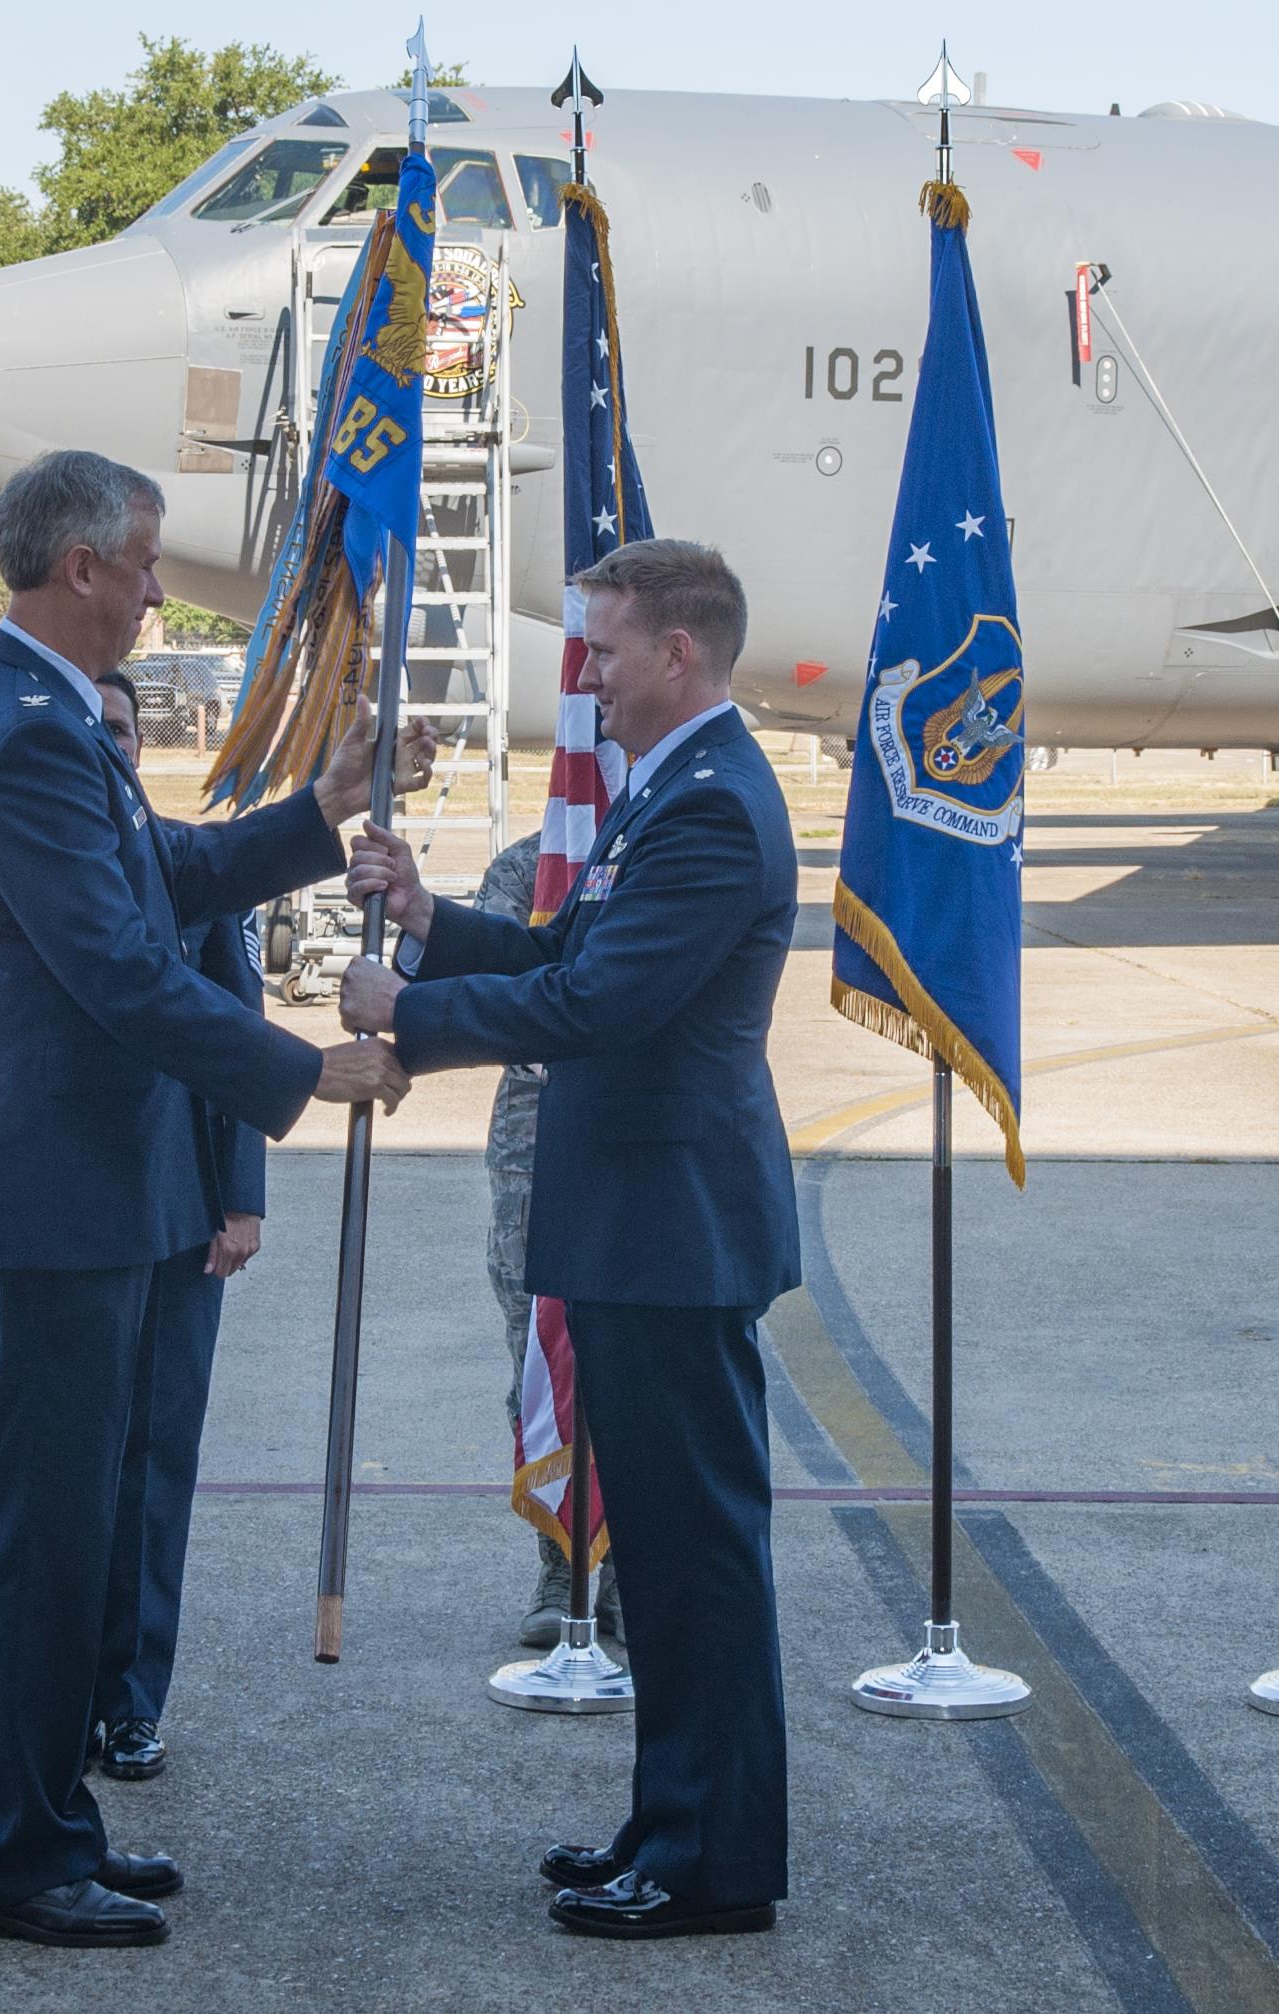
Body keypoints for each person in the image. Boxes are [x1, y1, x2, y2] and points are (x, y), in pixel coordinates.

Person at [0, 448, 426, 1950]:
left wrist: (309, 816)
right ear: (79, 567)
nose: (154, 589)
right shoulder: (20, 735)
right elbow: (122, 972)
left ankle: (53, 1822)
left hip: (102, 1192)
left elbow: (161, 877)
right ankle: (6, 1855)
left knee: (82, 1530)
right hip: (59, 1199)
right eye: (141, 564)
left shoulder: (53, 719)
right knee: (39, 1537)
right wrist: (301, 1070)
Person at [340, 539, 798, 1942]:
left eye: (601, 646)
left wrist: (403, 1014)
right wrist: (429, 927)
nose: (585, 670)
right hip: (637, 1223)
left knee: (696, 1552)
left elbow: (599, 1005)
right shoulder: (670, 792)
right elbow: (562, 956)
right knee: (660, 1551)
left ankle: (714, 1860)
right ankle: (670, 1825)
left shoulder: (711, 806)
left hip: (670, 1226)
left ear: (677, 651)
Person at [83, 668, 265, 1787]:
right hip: (60, 1216)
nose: (104, 747)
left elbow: (236, 1026)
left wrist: (239, 1194)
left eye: (120, 730)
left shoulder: (188, 867)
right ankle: (60, 1693)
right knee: (64, 1467)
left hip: (182, 1214)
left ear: (141, 745)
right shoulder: (19, 853)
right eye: (88, 729)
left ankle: (132, 1697)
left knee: (153, 1462)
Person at [469, 830, 622, 1651]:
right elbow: (491, 987)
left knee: (633, 1359)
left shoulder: (658, 845)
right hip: (533, 1143)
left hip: (634, 1137)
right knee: (537, 1359)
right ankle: (562, 1567)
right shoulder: (531, 864)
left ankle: (630, 1574)